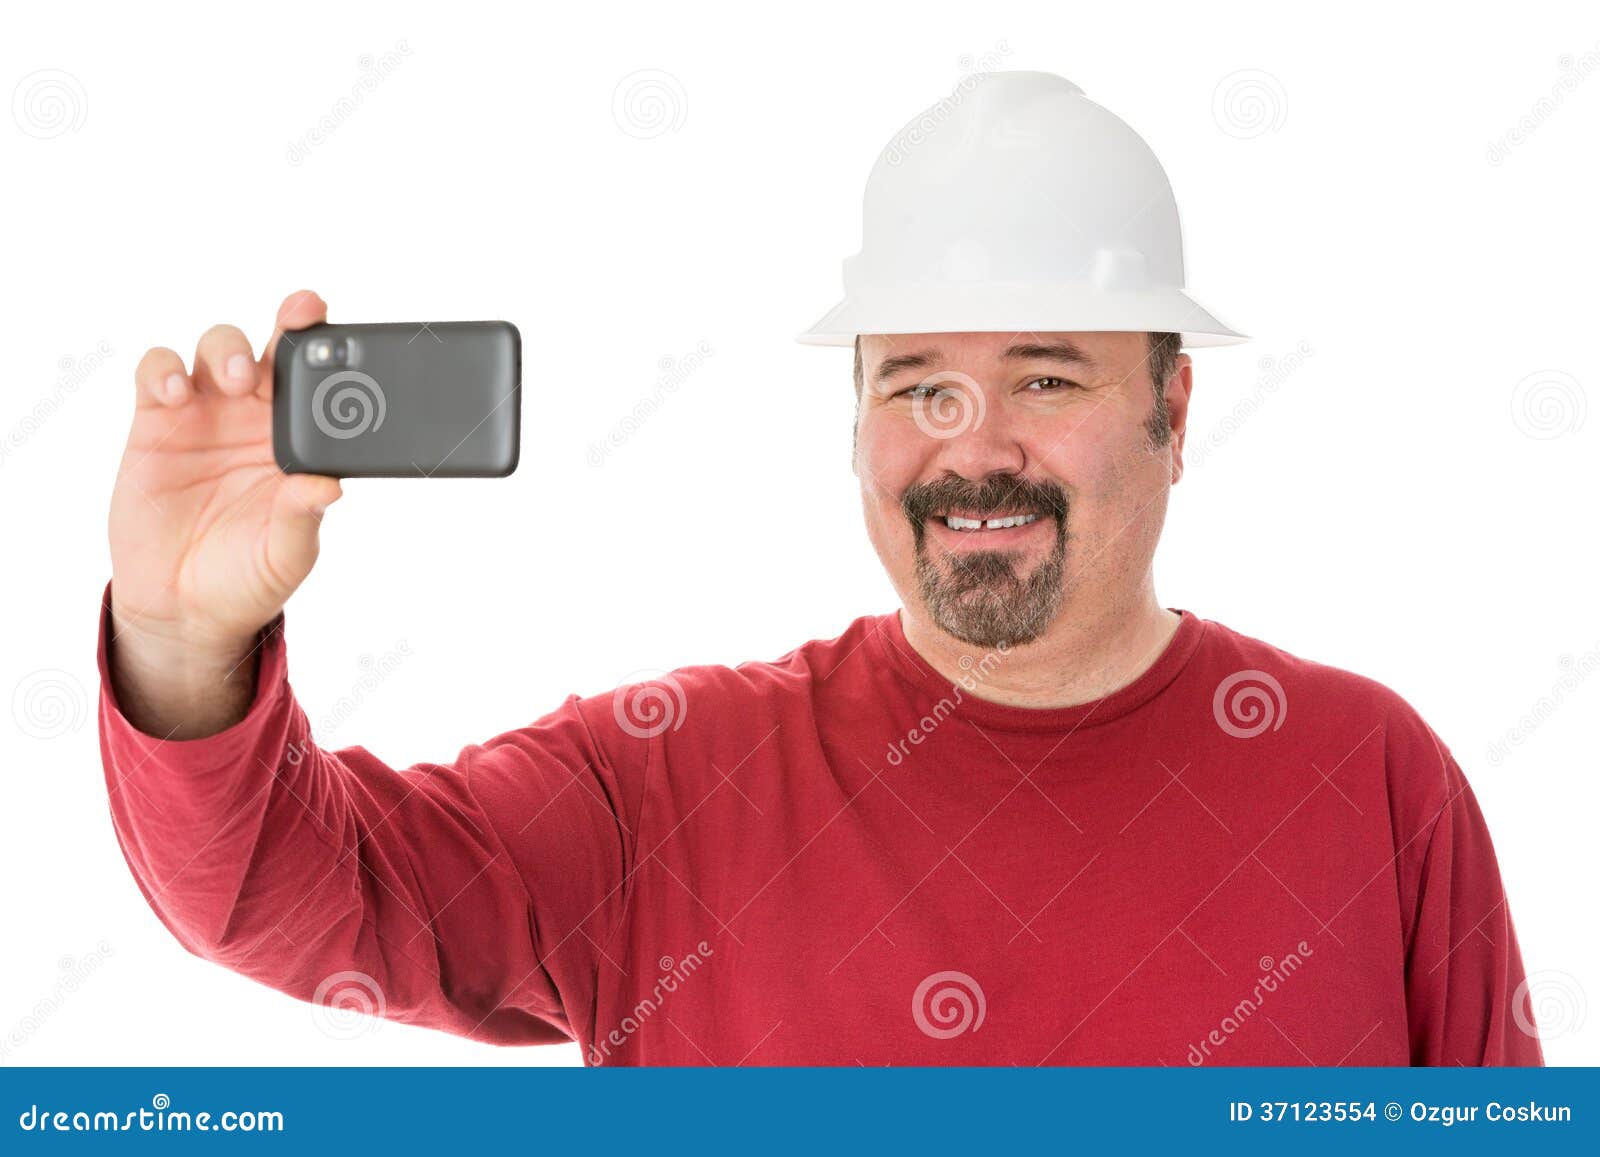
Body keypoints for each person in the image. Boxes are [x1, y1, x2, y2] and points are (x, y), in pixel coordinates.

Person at [97, 72, 1541, 1065]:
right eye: (918, 386)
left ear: (1173, 409)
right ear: (855, 422)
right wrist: (178, 641)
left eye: (1046, 378)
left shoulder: (1374, 780)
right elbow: (284, 890)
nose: (977, 451)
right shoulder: (665, 786)